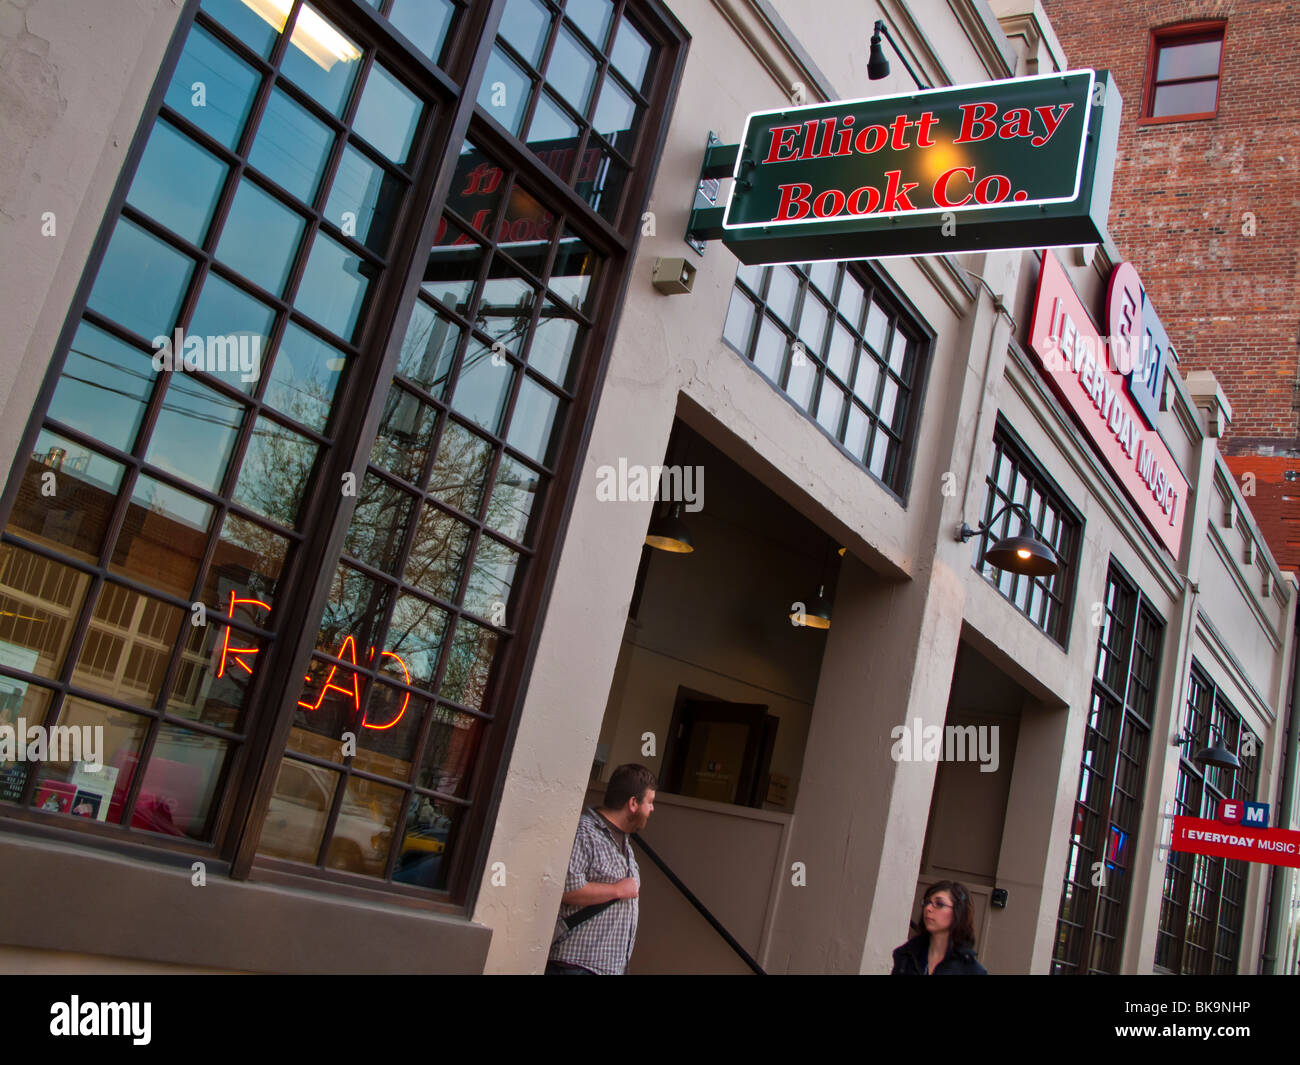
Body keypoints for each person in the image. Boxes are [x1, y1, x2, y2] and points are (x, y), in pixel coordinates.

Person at [546, 763, 656, 975]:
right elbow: (566, 889)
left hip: (608, 969)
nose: (652, 809)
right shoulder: (585, 832)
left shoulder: (624, 842)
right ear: (633, 803)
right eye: (650, 802)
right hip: (575, 966)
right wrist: (617, 891)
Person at [890, 880, 988, 975]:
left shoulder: (971, 970)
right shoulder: (906, 955)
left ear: (958, 912)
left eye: (939, 904)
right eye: (927, 902)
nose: (928, 908)